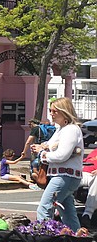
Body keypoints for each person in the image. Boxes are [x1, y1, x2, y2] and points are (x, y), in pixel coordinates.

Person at [33, 97, 85, 232]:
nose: (51, 113)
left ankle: (45, 239)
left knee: (44, 208)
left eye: (54, 111)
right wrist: (43, 147)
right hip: (65, 176)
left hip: (64, 176)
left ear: (64, 112)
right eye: (50, 110)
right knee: (68, 214)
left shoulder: (71, 130)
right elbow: (49, 145)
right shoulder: (62, 129)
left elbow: (62, 155)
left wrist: (42, 154)